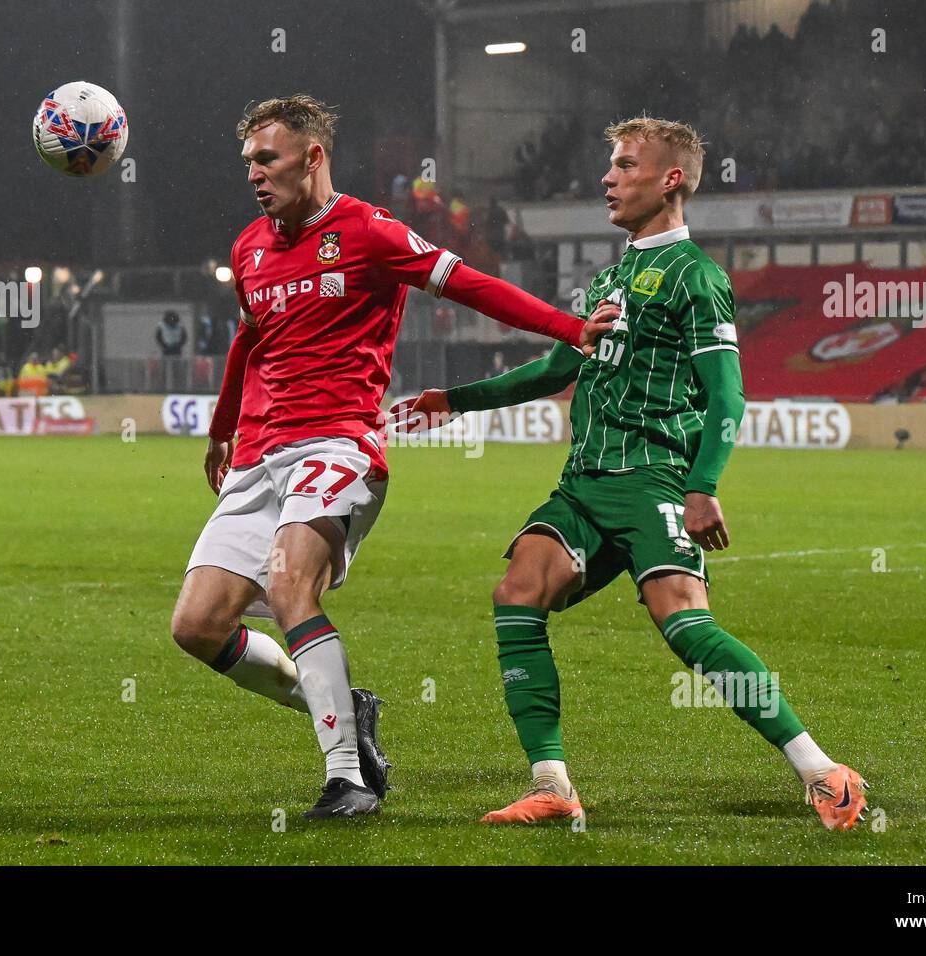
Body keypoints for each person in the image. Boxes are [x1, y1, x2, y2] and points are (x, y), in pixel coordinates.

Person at [404, 116, 868, 830]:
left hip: (652, 477)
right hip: (585, 482)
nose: (607, 179)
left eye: (624, 166)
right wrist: (455, 402)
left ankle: (821, 772)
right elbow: (560, 365)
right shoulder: (610, 277)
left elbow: (728, 394)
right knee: (516, 590)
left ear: (670, 178)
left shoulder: (696, 277)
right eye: (611, 166)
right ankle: (552, 783)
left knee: (684, 623)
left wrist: (702, 484)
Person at [170, 95, 611, 819]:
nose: (253, 172)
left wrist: (568, 328)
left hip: (339, 443)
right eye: (248, 160)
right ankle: (348, 707)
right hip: (259, 456)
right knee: (197, 626)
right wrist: (221, 429)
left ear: (313, 156)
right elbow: (248, 341)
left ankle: (348, 778)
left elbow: (471, 283)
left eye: (267, 158)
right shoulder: (249, 246)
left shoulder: (369, 231)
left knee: (288, 588)